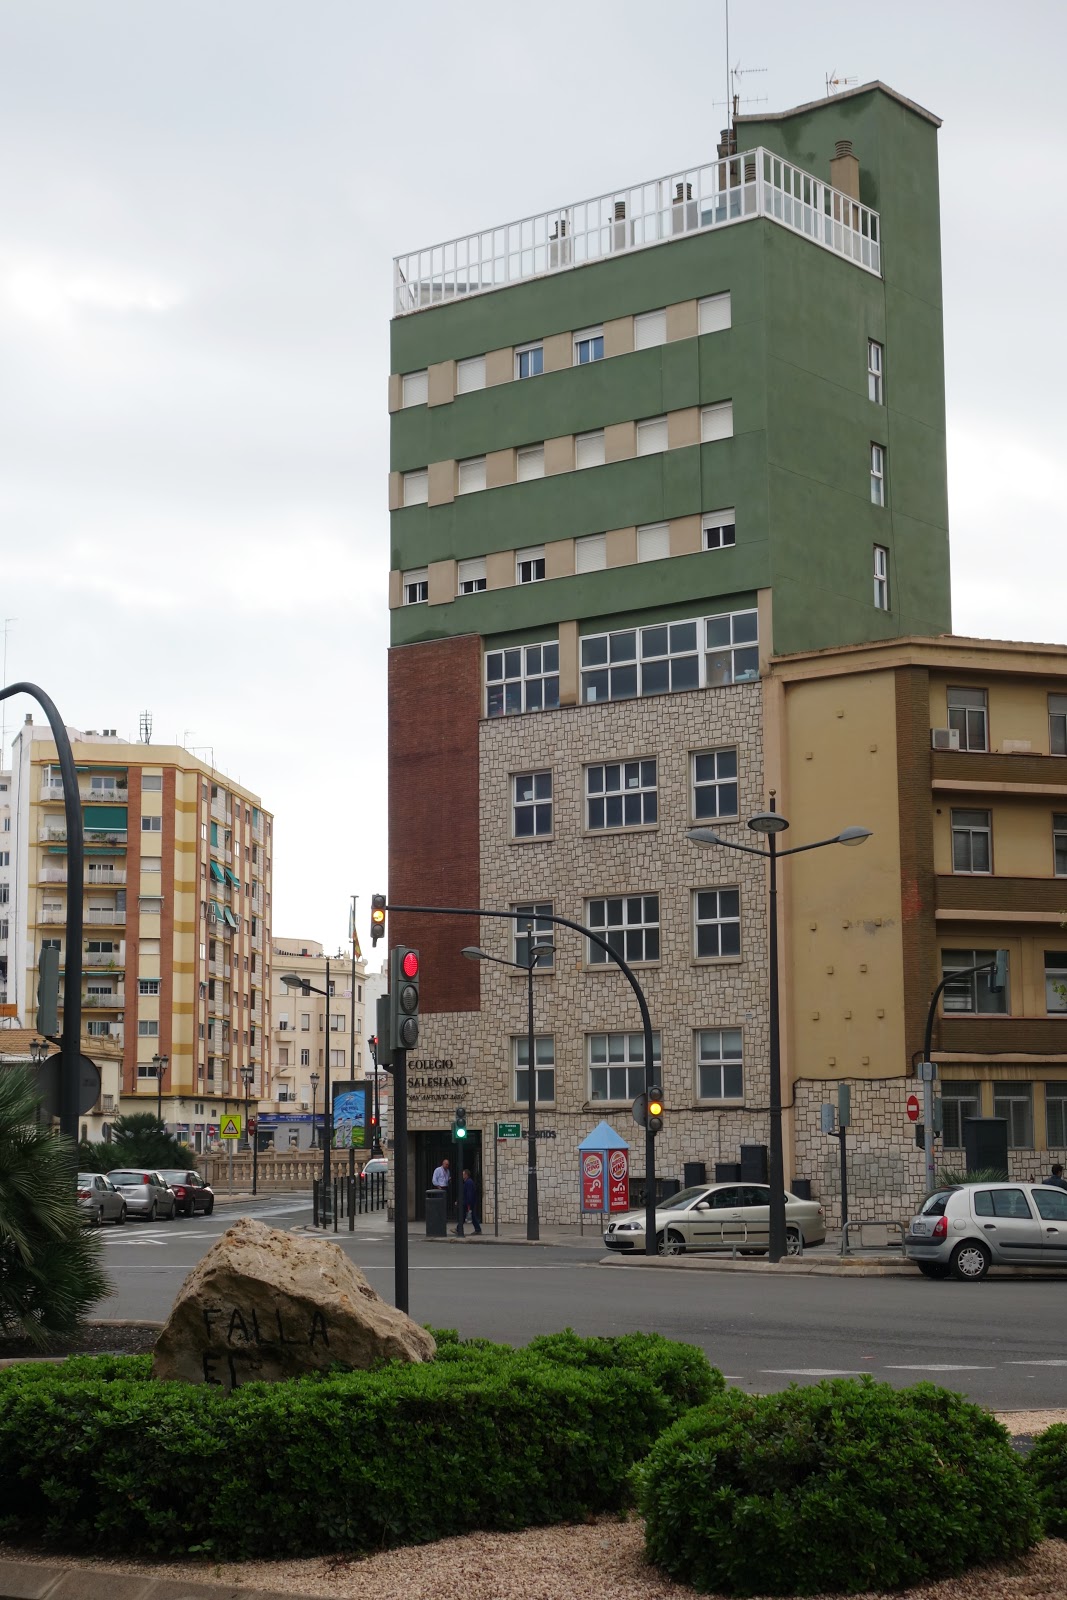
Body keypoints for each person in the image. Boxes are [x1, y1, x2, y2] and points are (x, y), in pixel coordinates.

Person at [455, 1168, 481, 1235]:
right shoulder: (468, 1182)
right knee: (469, 1216)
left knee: (467, 1216)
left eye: (463, 1174)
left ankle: (459, 1229)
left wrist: (468, 1203)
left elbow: (469, 1193)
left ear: (466, 1175)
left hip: (468, 1202)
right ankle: (477, 1229)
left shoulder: (468, 1182)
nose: (462, 1176)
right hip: (468, 1202)